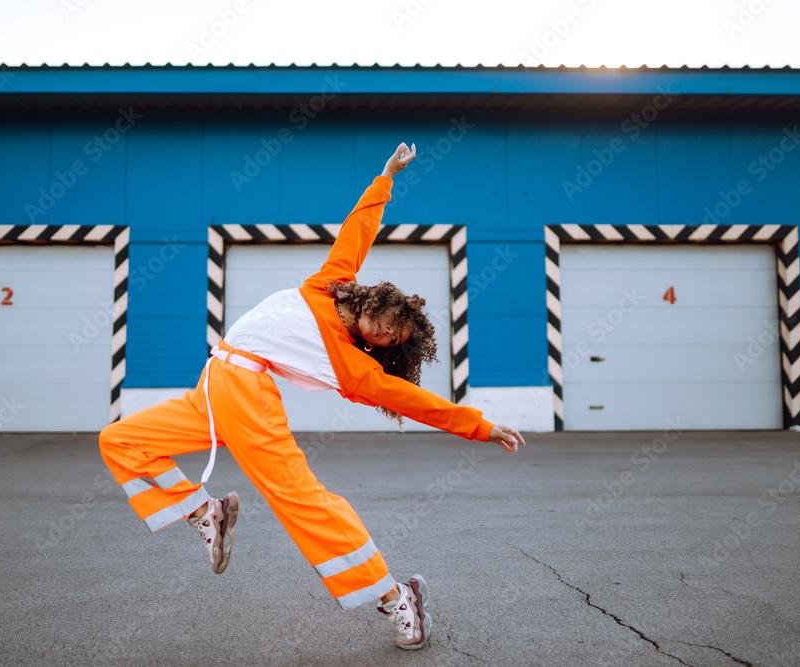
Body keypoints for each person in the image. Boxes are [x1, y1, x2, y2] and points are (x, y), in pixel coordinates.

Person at [98, 142, 526, 651]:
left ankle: (396, 597)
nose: (391, 333)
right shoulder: (331, 283)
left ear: (379, 347)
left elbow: (416, 403)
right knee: (120, 440)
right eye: (396, 323)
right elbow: (358, 229)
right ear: (383, 302)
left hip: (247, 391)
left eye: (395, 341)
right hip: (214, 383)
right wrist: (387, 175)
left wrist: (481, 426)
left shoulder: (355, 365)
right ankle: (202, 512)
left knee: (301, 502)